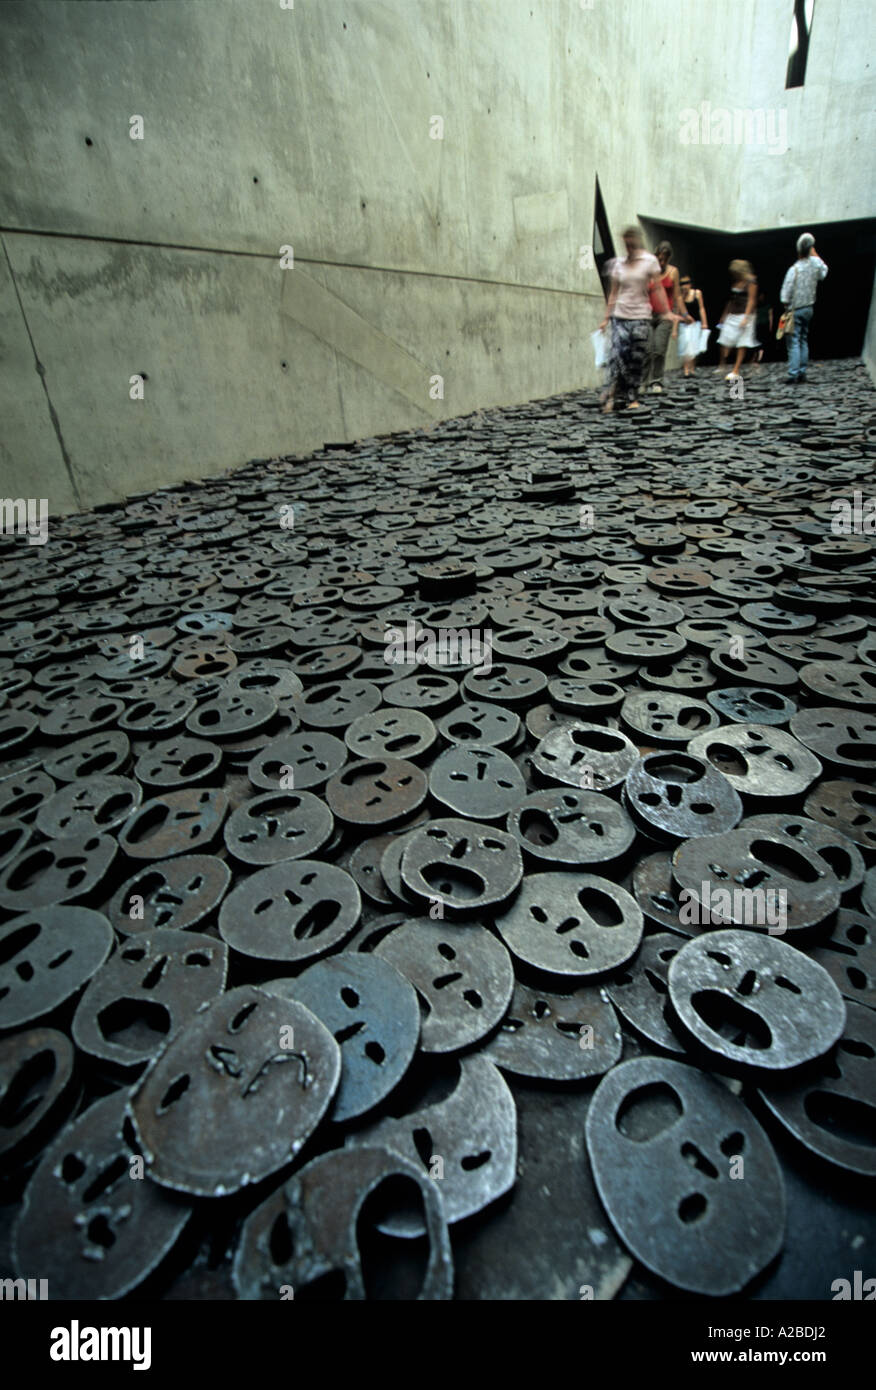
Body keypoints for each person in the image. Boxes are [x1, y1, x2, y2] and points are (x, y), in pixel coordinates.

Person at [598, 227, 672, 412]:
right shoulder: (619, 264)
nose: (628, 247)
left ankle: (632, 397)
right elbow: (613, 292)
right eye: (626, 243)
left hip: (640, 316)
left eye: (631, 243)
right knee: (617, 356)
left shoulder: (649, 261)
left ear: (638, 241)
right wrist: (606, 317)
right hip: (620, 316)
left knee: (636, 358)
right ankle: (613, 394)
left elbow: (657, 288)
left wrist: (666, 311)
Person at [780, 233, 828, 384]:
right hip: (809, 307)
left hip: (795, 310)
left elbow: (785, 294)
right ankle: (802, 372)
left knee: (793, 341)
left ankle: (793, 373)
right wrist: (816, 255)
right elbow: (824, 272)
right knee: (803, 340)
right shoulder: (814, 265)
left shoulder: (794, 269)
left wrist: (786, 305)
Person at [644, 241, 689, 393]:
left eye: (665, 259)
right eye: (659, 259)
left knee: (659, 349)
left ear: (669, 259)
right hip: (648, 315)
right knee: (647, 349)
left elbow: (677, 296)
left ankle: (656, 381)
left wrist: (684, 314)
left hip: (665, 315)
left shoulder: (673, 272)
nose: (661, 262)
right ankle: (643, 381)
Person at [717, 259, 758, 383]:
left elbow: (751, 300)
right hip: (733, 314)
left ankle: (736, 369)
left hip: (745, 315)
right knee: (725, 339)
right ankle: (724, 363)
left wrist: (746, 317)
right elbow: (731, 300)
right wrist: (725, 315)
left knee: (742, 342)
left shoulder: (751, 281)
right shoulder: (736, 282)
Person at [677, 274, 708, 376]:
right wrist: (674, 328)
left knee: (694, 346)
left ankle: (692, 368)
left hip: (696, 323)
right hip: (684, 324)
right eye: (682, 284)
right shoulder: (680, 297)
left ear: (690, 284)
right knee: (686, 345)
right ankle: (686, 369)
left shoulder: (697, 293)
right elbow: (678, 313)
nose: (684, 286)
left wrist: (704, 323)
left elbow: (701, 308)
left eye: (686, 283)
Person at [753, 291, 773, 365]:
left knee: (763, 341)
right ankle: (756, 357)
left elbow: (771, 316)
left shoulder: (768, 306)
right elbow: (754, 315)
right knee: (757, 340)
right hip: (758, 325)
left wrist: (770, 325)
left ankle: (760, 358)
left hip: (765, 325)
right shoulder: (756, 306)